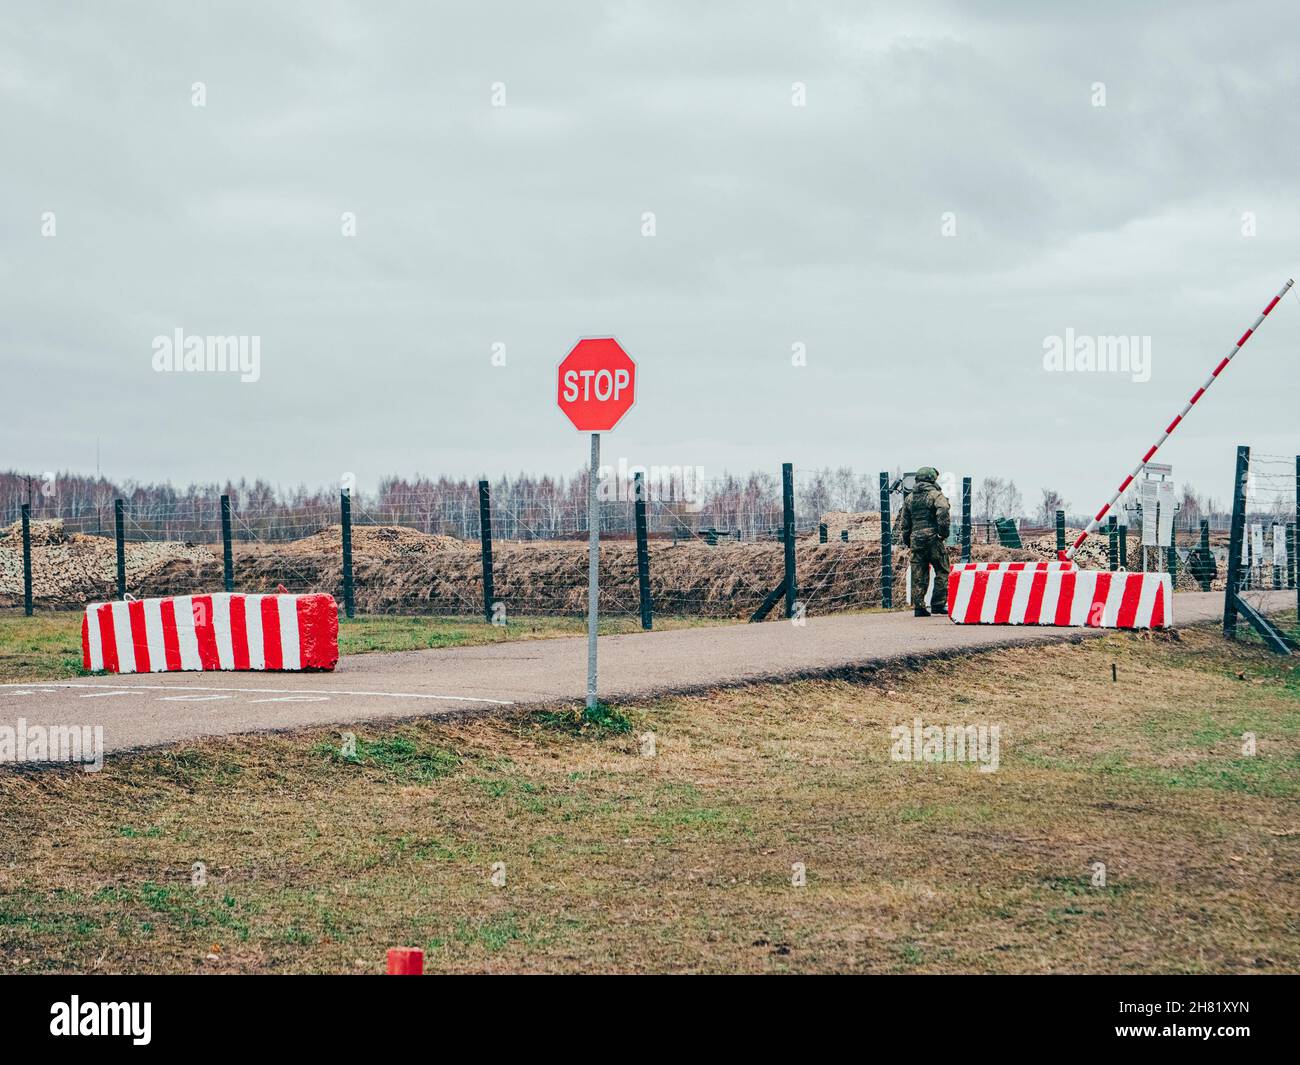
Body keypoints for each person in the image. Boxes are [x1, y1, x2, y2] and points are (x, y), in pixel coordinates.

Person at [900, 467, 951, 617]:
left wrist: (908, 540)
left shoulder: (909, 498)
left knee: (918, 572)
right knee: (942, 569)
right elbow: (943, 511)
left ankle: (919, 607)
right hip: (933, 539)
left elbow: (905, 523)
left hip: (916, 539)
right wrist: (943, 534)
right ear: (932, 479)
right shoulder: (936, 495)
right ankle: (938, 604)